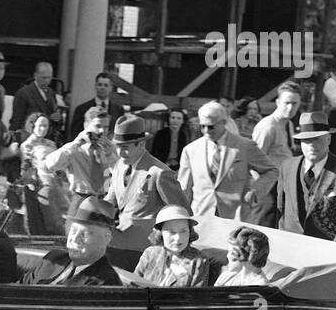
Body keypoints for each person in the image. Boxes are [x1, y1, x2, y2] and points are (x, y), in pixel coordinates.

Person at [104, 114, 189, 268]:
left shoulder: (159, 172)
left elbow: (181, 212)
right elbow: (110, 203)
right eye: (117, 147)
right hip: (118, 246)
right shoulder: (119, 166)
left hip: (147, 250)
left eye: (125, 148)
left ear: (141, 144)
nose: (120, 153)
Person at [179, 100, 276, 221]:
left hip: (235, 217)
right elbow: (184, 188)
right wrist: (181, 216)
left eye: (211, 126)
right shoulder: (190, 150)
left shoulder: (245, 146)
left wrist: (255, 192)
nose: (206, 131)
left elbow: (272, 171)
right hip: (201, 216)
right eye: (202, 126)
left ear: (223, 122)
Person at [276, 111, 336, 243]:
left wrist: (334, 248)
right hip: (289, 245)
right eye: (306, 140)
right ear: (300, 142)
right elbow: (280, 209)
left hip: (327, 250)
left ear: (328, 139)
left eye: (317, 139)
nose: (312, 145)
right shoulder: (287, 167)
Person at [19, 195, 122, 286]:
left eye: (84, 234)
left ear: (107, 238)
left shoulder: (105, 282)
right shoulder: (53, 259)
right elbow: (18, 290)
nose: (75, 239)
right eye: (73, 231)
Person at [251, 81, 302, 228]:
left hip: (283, 186)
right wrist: (263, 193)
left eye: (294, 103)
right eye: (287, 103)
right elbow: (254, 162)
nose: (290, 107)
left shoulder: (290, 124)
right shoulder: (267, 126)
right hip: (267, 190)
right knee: (260, 230)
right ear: (278, 102)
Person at [43, 105, 118, 200]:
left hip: (105, 199)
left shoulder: (111, 148)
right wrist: (75, 144)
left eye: (106, 127)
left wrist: (110, 155)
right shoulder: (74, 148)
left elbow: (122, 176)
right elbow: (50, 165)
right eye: (97, 126)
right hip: (80, 198)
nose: (102, 131)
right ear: (86, 126)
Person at [134, 204, 212, 287]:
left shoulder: (199, 260)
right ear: (160, 233)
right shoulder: (150, 253)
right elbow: (133, 285)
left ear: (190, 231)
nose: (178, 238)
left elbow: (198, 296)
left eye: (183, 231)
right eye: (171, 232)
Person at [19, 111, 67, 234]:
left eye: (45, 126)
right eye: (40, 125)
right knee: (52, 214)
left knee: (64, 208)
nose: (42, 129)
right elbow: (26, 167)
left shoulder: (51, 143)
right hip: (41, 180)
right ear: (33, 125)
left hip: (56, 179)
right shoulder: (27, 145)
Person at [10, 61, 65, 142]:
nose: (46, 81)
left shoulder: (51, 92)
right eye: (43, 78)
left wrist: (57, 118)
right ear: (35, 75)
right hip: (29, 138)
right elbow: (16, 120)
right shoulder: (23, 93)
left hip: (48, 138)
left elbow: (55, 113)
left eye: (49, 77)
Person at [69, 71, 124, 137]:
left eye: (106, 85)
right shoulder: (82, 109)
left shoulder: (119, 109)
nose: (102, 88)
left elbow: (121, 133)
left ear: (111, 88)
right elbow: (75, 134)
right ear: (95, 86)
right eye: (100, 84)